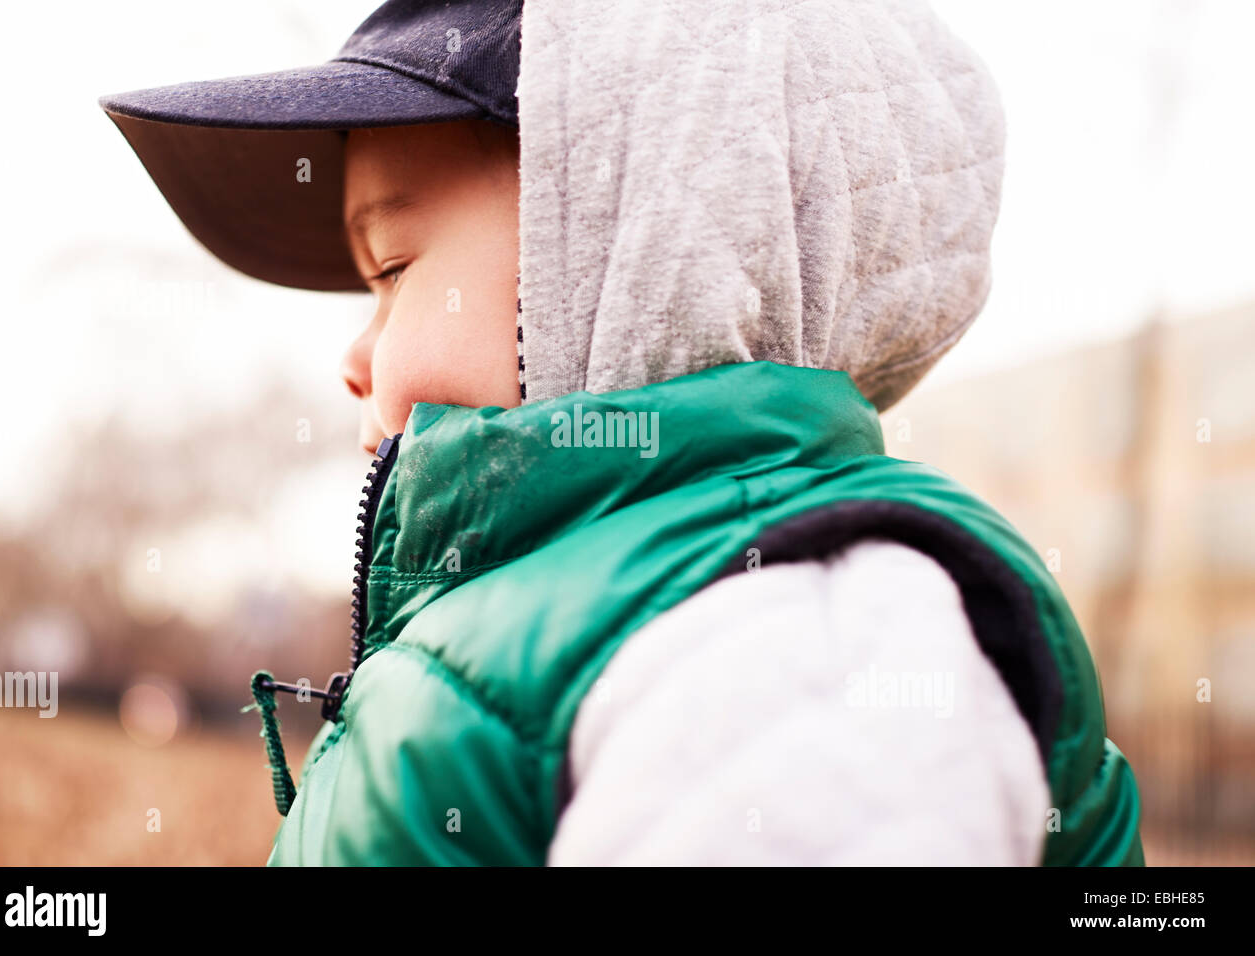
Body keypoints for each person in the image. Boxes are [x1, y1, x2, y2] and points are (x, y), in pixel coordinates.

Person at [98, 0, 1145, 865]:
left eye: (391, 269)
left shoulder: (795, 634)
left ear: (632, 247)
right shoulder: (581, 614)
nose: (352, 356)